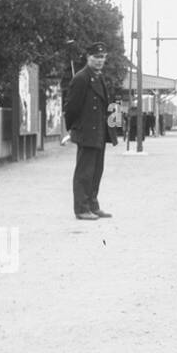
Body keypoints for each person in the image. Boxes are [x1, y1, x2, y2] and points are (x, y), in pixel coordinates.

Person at [63, 41, 116, 220]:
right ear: (88, 58)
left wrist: (112, 130)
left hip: (99, 132)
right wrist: (73, 129)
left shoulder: (99, 77)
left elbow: (106, 105)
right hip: (87, 132)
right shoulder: (81, 78)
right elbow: (71, 107)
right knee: (84, 172)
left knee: (96, 171)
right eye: (96, 57)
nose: (100, 60)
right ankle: (81, 208)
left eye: (102, 57)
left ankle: (93, 205)